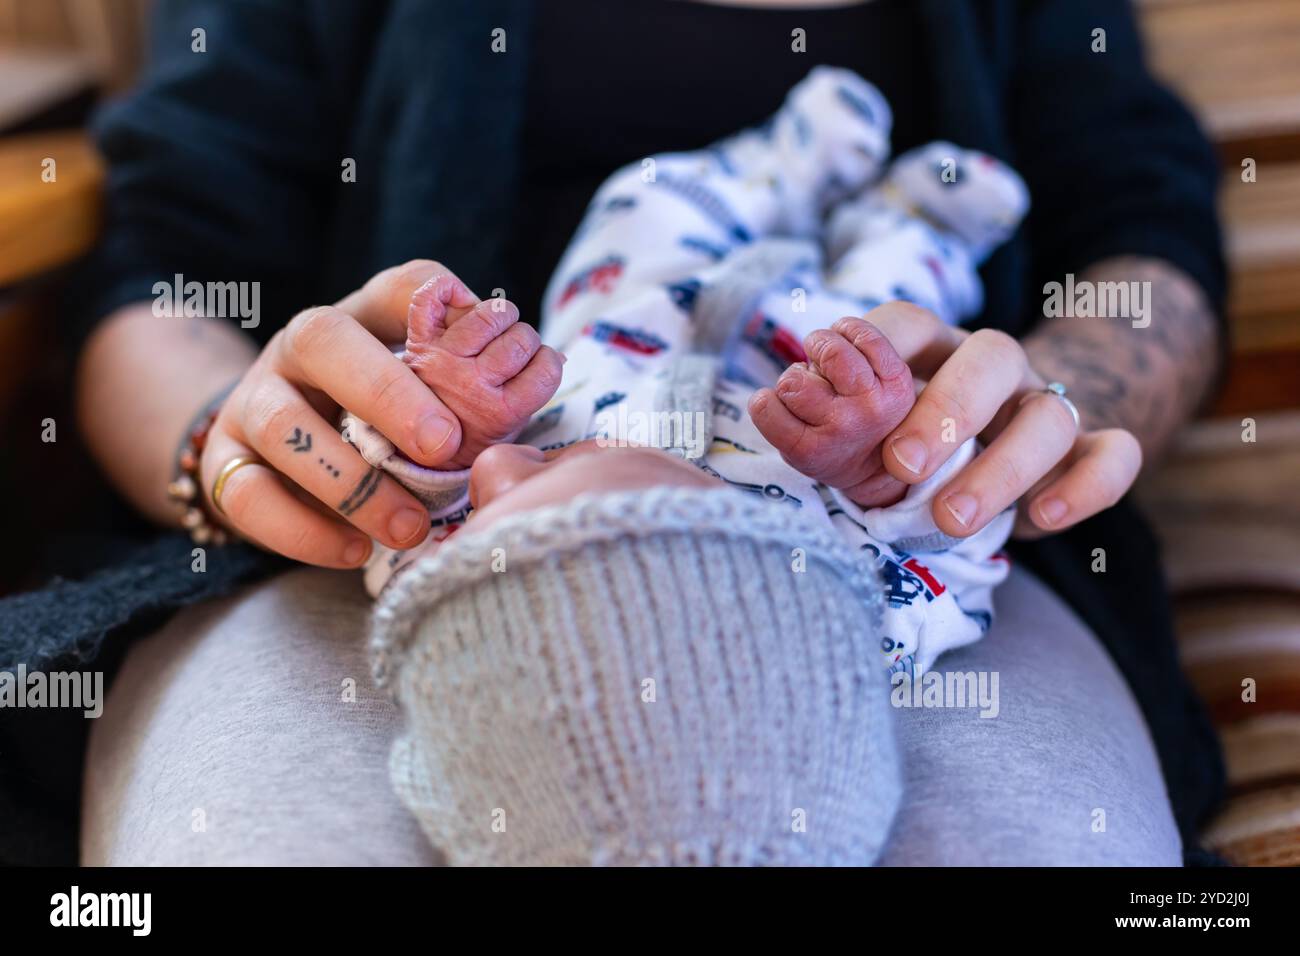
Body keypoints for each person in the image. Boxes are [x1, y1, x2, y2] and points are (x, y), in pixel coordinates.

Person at [4, 0, 1225, 866]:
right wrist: (242, 445)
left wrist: (1021, 417)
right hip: (312, 564)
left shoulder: (471, 489)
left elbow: (1142, 218)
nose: (497, 459)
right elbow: (160, 261)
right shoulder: (885, 575)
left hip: (930, 537)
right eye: (494, 465)